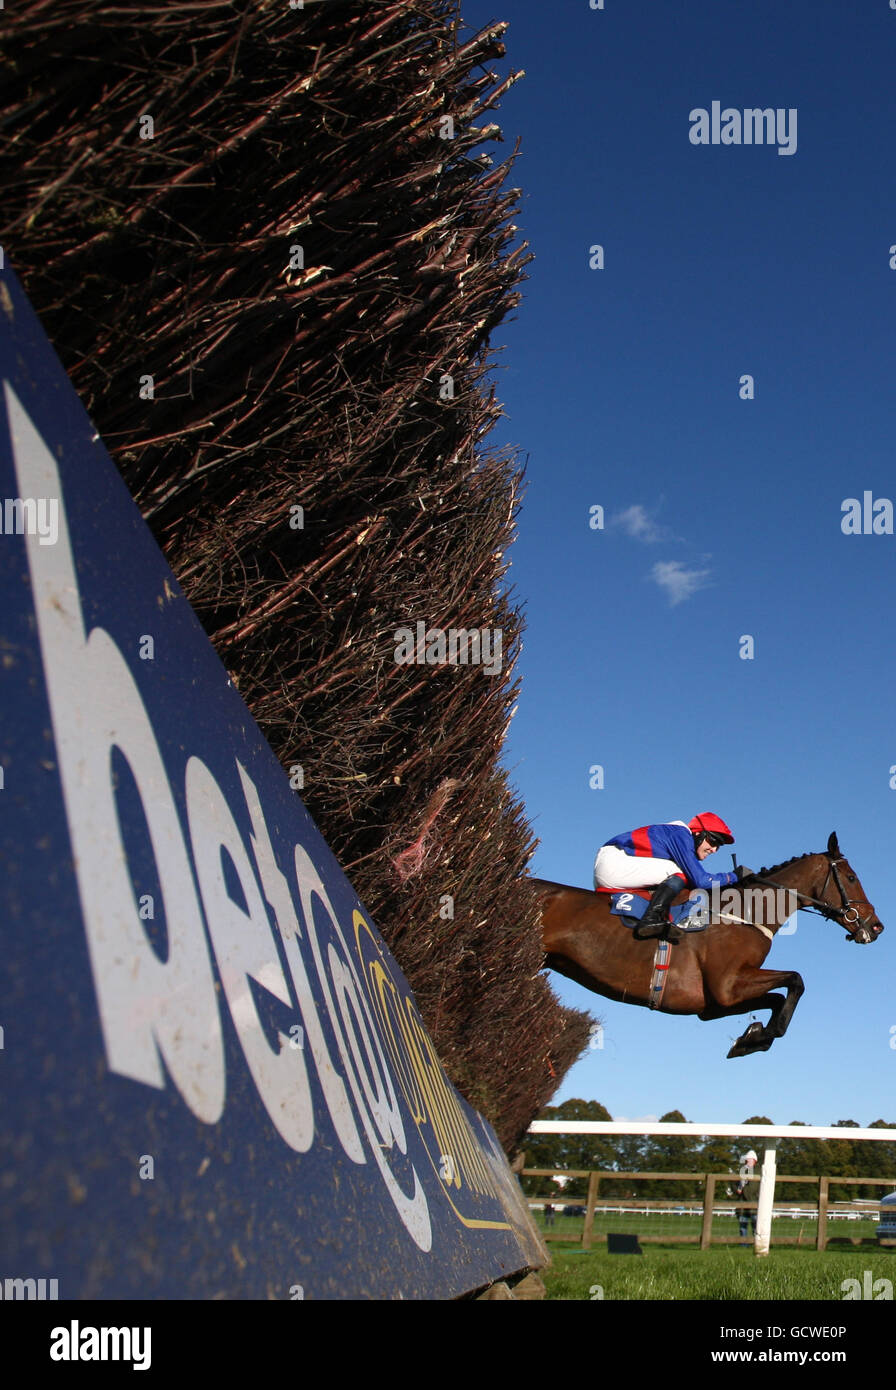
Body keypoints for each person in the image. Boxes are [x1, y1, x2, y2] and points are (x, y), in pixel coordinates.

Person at [594, 813, 751, 942]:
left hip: (614, 867)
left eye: (719, 846)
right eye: (713, 840)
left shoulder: (679, 836)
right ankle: (650, 919)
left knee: (680, 879)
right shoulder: (681, 835)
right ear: (698, 833)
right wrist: (734, 876)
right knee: (678, 873)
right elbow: (702, 881)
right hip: (613, 864)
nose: (714, 849)